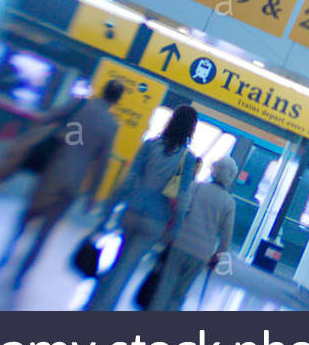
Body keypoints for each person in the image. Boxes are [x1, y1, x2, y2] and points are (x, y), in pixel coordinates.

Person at [0, 78, 123, 289]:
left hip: (54, 170)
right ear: (117, 100)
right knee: (46, 231)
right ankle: (22, 274)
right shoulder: (111, 125)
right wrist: (93, 195)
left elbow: (47, 117)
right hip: (73, 183)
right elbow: (102, 163)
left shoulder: (80, 104)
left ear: (102, 90)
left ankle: (7, 254)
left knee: (29, 216)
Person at [82, 104, 197, 310]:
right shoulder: (186, 159)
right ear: (191, 129)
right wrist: (175, 230)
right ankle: (102, 308)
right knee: (127, 267)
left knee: (118, 261)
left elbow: (130, 179)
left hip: (132, 211)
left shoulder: (150, 145)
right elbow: (182, 198)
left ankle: (93, 303)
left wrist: (110, 207)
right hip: (156, 220)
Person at [150, 154, 238, 310]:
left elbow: (181, 210)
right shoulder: (229, 203)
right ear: (230, 177)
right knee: (180, 293)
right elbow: (226, 237)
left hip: (180, 243)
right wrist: (217, 256)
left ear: (214, 170)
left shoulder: (195, 187)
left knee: (164, 287)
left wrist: (170, 233)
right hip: (202, 253)